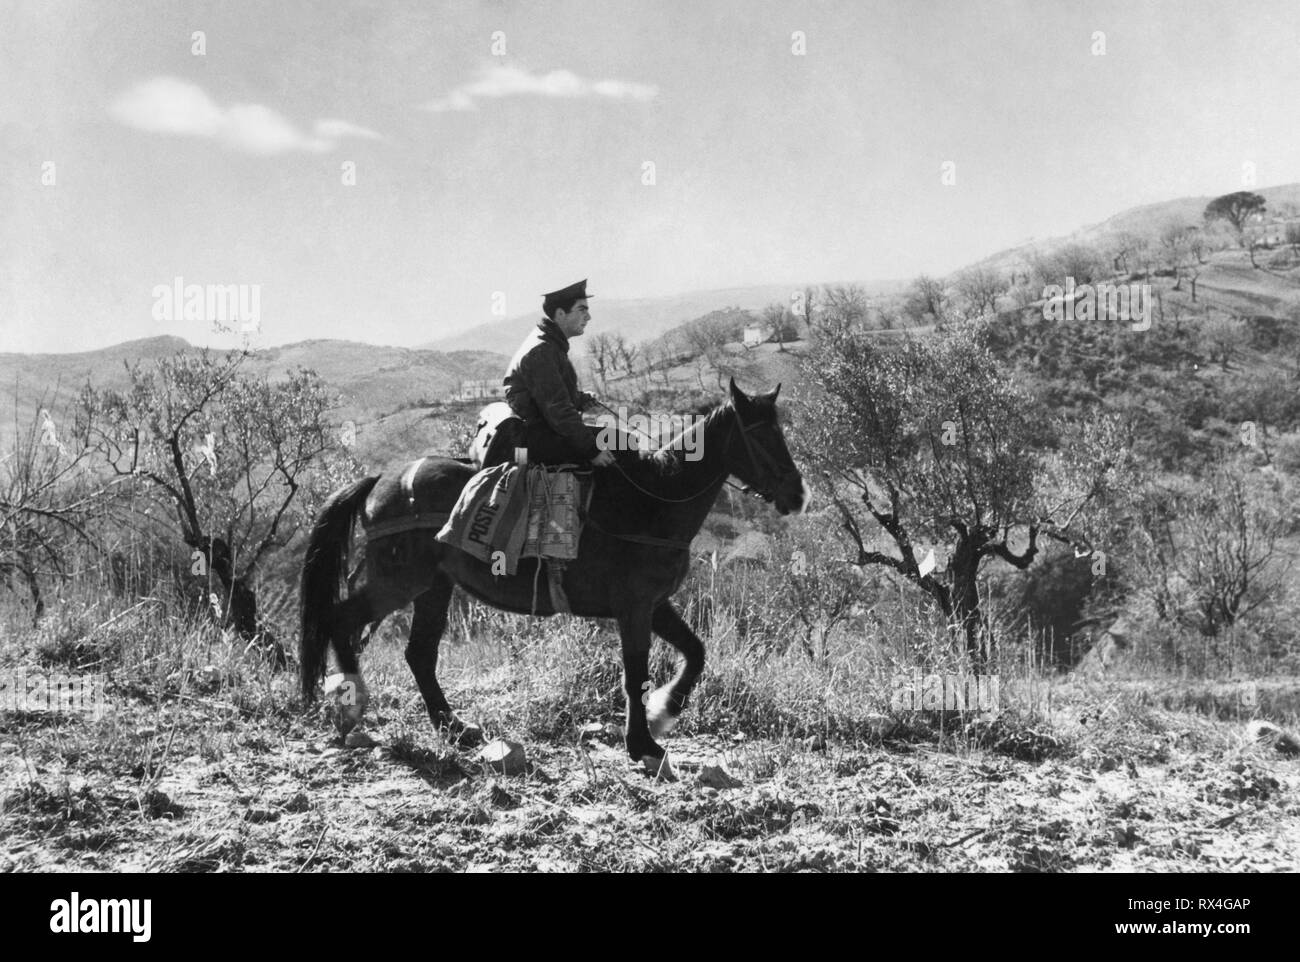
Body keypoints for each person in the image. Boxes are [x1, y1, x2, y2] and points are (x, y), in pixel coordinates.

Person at [503, 279, 617, 468]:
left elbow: (551, 397)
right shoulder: (541, 351)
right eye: (582, 309)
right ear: (560, 314)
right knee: (624, 445)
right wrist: (592, 450)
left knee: (619, 440)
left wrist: (580, 399)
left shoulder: (549, 343)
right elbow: (559, 411)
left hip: (545, 432)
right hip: (537, 439)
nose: (588, 317)